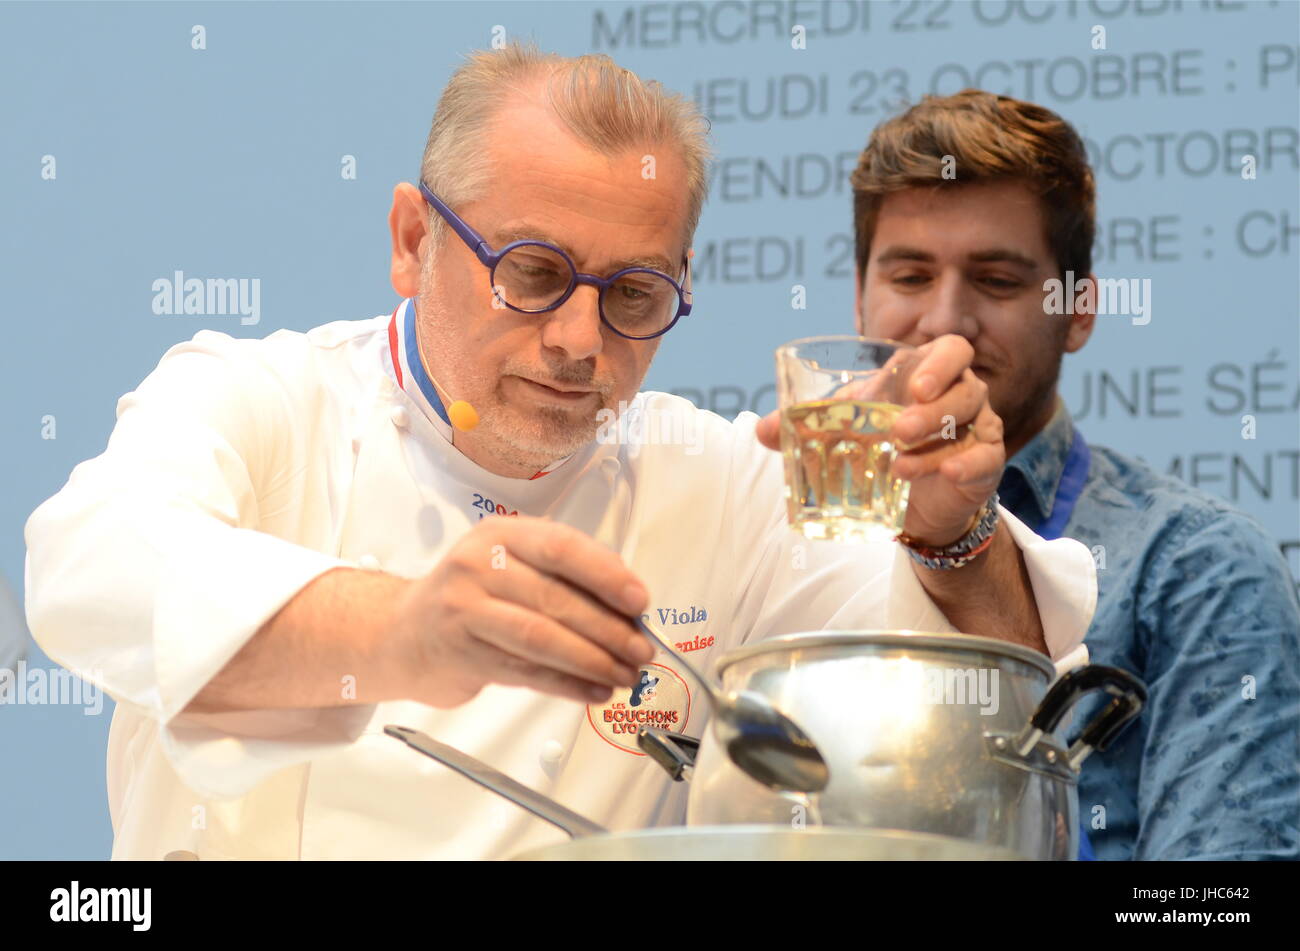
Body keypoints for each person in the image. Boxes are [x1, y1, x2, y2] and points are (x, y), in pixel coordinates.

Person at [24, 46, 1094, 860]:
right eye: (532, 272)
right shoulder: (265, 402)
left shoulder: (706, 478)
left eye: (634, 296)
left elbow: (976, 702)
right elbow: (87, 571)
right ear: (413, 240)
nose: (581, 342)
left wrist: (953, 532)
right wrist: (404, 631)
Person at [843, 89, 1300, 860]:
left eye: (996, 280)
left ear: (1079, 309)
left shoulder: (1197, 565)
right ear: (860, 299)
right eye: (911, 277)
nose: (946, 321)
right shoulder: (788, 535)